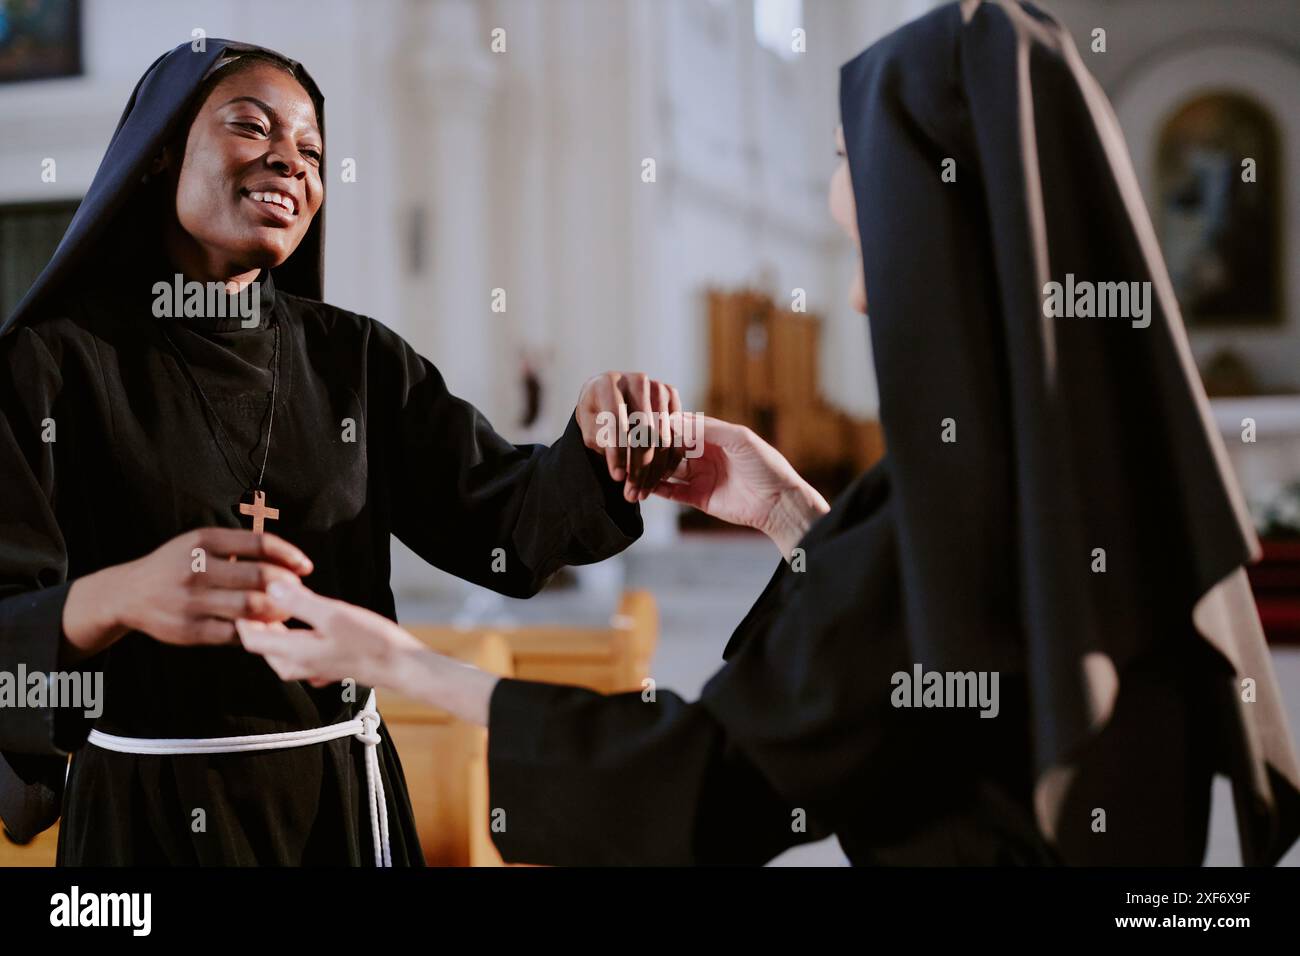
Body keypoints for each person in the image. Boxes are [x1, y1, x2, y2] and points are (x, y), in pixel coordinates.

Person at [241, 0, 1300, 866]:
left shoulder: (951, 491)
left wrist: (403, 661)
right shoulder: (1087, 460)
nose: (853, 292)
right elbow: (918, 650)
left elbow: (703, 780)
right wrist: (790, 509)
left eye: (855, 185)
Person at [0, 40, 686, 866]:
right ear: (158, 158)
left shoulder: (358, 361)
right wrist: (116, 597)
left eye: (313, 152)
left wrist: (596, 450)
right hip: (148, 817)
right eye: (251, 128)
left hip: (340, 801)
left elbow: (505, 519)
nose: (288, 161)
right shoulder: (51, 366)